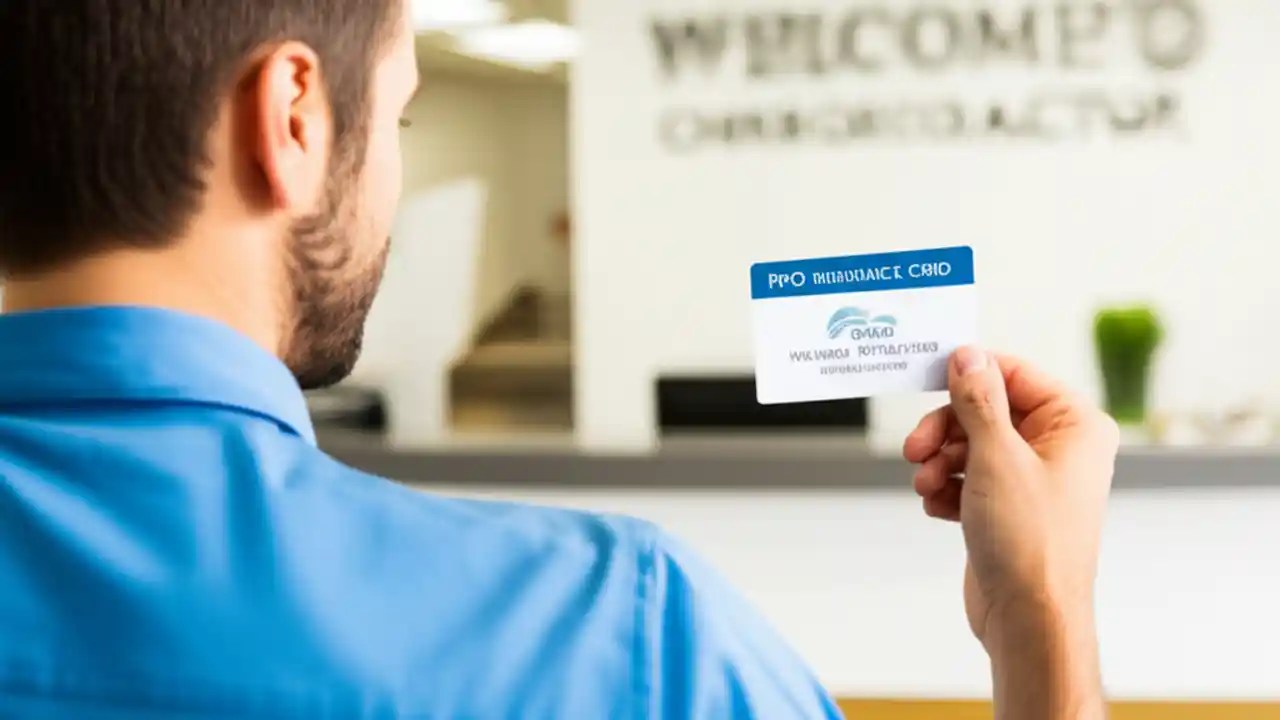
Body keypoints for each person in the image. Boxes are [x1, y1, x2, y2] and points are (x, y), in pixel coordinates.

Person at [0, 1, 1119, 717]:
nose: (393, 179)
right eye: (399, 120)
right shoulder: (622, 637)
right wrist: (1042, 616)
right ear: (292, 115)